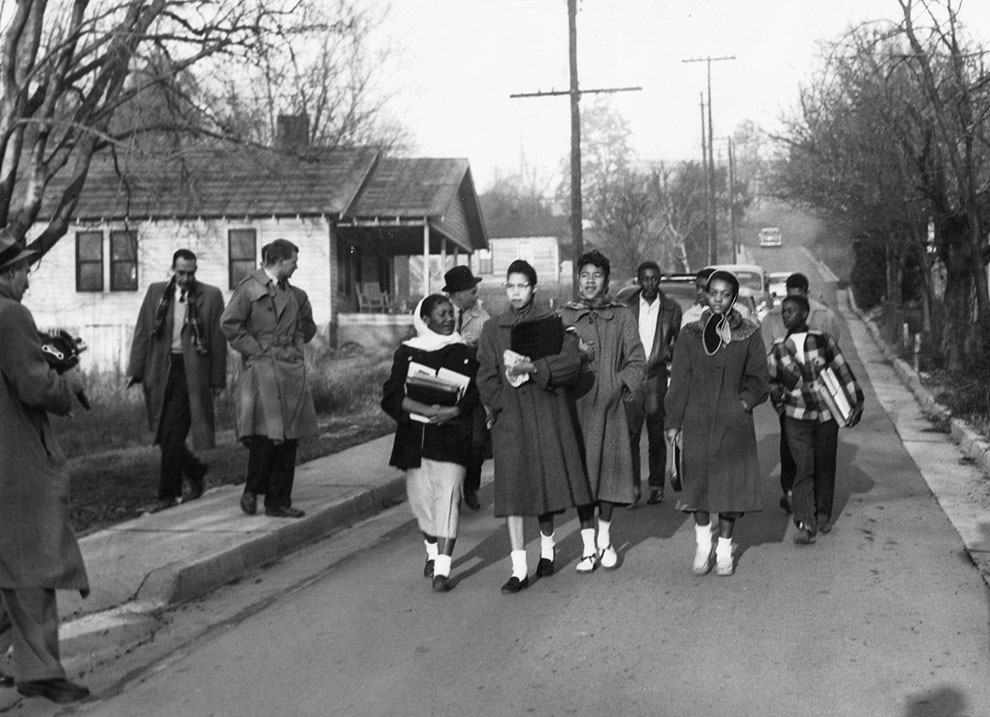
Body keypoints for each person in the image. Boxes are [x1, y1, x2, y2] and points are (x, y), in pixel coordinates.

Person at [0, 237, 90, 703]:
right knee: (34, 555)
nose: (27, 280)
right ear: (7, 274)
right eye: (22, 270)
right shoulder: (10, 314)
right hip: (14, 455)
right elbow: (34, 385)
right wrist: (67, 384)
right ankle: (39, 672)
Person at [477, 259, 593, 593]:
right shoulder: (493, 328)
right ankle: (518, 569)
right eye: (510, 286)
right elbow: (485, 376)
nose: (516, 292)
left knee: (545, 484)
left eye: (522, 286)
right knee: (513, 492)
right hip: (511, 420)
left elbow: (570, 363)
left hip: (546, 413)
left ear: (534, 288)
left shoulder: (552, 323)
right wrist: (502, 403)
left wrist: (535, 369)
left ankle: (547, 549)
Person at [665, 269, 768, 577]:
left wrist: (743, 403)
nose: (718, 299)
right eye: (713, 293)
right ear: (705, 295)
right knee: (697, 485)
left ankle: (724, 549)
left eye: (725, 294)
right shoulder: (690, 333)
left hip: (733, 423)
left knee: (729, 486)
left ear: (734, 298)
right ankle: (702, 545)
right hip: (697, 420)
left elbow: (759, 378)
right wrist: (674, 421)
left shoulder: (749, 333)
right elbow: (679, 380)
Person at [382, 295, 480, 592]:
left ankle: (442, 570)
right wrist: (423, 409)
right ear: (425, 320)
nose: (450, 319)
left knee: (448, 499)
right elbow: (392, 395)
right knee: (422, 503)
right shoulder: (407, 352)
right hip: (415, 438)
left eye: (451, 313)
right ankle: (432, 551)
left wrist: (454, 410)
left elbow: (475, 394)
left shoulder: (465, 352)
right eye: (442, 314)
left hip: (451, 436)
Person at [559, 250, 646, 572]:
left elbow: (637, 359)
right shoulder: (563, 317)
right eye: (585, 275)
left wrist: (618, 385)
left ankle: (605, 539)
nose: (590, 281)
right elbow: (554, 361)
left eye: (597, 276)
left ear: (606, 281)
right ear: (577, 279)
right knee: (581, 476)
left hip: (610, 408)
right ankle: (587, 547)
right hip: (576, 408)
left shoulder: (621, 316)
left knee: (609, 474)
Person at [221, 238, 318, 519]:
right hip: (262, 369)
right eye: (293, 261)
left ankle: (278, 501)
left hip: (289, 370)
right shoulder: (249, 288)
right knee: (265, 435)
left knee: (289, 438)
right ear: (280, 261)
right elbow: (229, 323)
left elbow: (305, 328)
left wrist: (296, 347)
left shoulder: (295, 295)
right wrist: (254, 349)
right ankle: (253, 490)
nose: (296, 266)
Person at [127, 249, 227, 509]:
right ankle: (195, 470)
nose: (186, 278)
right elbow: (142, 332)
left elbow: (218, 341)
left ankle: (168, 495)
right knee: (163, 433)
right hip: (160, 370)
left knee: (172, 434)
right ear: (173, 269)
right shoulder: (156, 293)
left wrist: (217, 380)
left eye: (191, 273)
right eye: (181, 272)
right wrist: (135, 371)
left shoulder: (211, 296)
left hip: (191, 373)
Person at [768, 295, 864, 542]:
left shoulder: (823, 340)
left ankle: (823, 513)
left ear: (804, 314)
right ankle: (805, 523)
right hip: (796, 416)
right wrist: (782, 407)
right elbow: (773, 382)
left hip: (826, 414)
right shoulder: (779, 348)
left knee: (825, 463)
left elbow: (843, 369)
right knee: (803, 466)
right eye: (783, 312)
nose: (785, 315)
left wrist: (856, 400)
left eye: (790, 311)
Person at [761, 272, 842, 513]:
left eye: (800, 295)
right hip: (790, 398)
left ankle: (817, 504)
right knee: (789, 449)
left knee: (820, 454)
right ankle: (791, 492)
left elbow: (834, 351)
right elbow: (768, 357)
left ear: (807, 293)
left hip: (821, 397)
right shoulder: (772, 318)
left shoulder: (825, 316)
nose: (788, 314)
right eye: (791, 295)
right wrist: (779, 400)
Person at [623, 261, 682, 505]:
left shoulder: (671, 309)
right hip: (632, 374)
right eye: (645, 279)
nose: (650, 283)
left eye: (654, 278)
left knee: (656, 431)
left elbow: (676, 345)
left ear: (660, 279)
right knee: (630, 432)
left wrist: (675, 373)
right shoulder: (626, 307)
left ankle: (656, 485)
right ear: (638, 280)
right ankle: (633, 486)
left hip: (657, 374)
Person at [442, 265, 490, 511]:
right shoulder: (439, 314)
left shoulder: (482, 318)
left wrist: (477, 346)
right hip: (445, 390)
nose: (476, 294)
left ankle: (471, 486)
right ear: (458, 294)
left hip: (474, 390)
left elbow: (492, 351)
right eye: (472, 290)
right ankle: (451, 493)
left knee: (477, 442)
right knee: (449, 445)